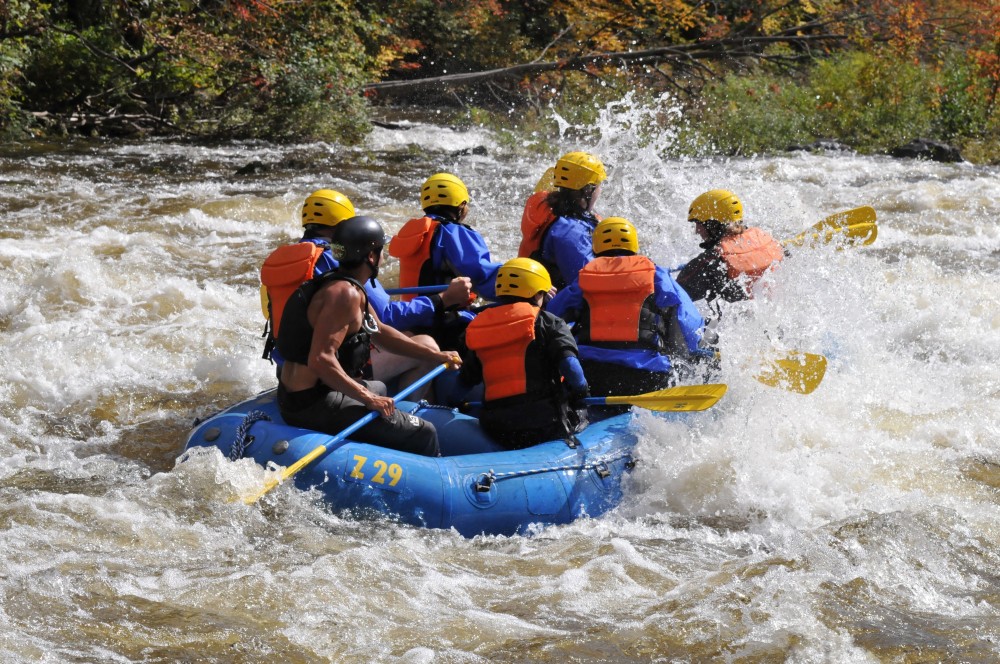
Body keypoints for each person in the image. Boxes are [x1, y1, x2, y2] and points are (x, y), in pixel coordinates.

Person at [276, 216, 462, 457]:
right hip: (312, 404)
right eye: (380, 251)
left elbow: (380, 332)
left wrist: (436, 355)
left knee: (380, 386)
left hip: (297, 394)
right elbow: (320, 359)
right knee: (424, 432)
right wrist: (369, 399)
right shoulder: (345, 296)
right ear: (371, 256)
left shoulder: (341, 283)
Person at [260, 189, 469, 392]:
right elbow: (386, 317)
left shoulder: (283, 261)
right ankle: (408, 413)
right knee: (426, 344)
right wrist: (442, 299)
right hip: (328, 371)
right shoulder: (339, 260)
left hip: (286, 370)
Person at [547, 218, 710, 399]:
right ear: (634, 247)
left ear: (596, 248)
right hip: (647, 377)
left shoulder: (584, 278)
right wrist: (691, 354)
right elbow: (688, 320)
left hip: (593, 376)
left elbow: (552, 315)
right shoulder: (657, 275)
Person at [455, 258, 589, 449]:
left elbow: (464, 382)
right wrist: (582, 391)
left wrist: (453, 403)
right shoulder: (550, 322)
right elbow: (570, 367)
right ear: (537, 294)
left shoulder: (479, 326)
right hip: (543, 423)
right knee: (580, 414)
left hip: (496, 428)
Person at [388, 172, 502, 349]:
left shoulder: (413, 231)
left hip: (412, 319)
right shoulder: (452, 232)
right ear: (461, 206)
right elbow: (482, 276)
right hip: (445, 323)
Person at [675, 189, 786, 306]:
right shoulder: (769, 241)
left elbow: (673, 297)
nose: (697, 231)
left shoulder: (712, 262)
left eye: (699, 224)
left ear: (712, 225)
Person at [518, 151, 606, 289]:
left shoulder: (545, 203)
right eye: (599, 185)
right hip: (554, 302)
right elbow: (588, 283)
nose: (600, 190)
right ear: (588, 190)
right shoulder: (570, 231)